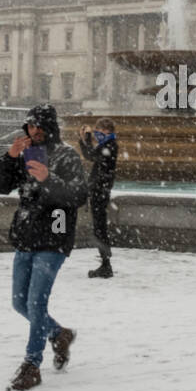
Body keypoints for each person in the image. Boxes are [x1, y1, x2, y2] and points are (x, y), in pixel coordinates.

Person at [0, 104, 90, 391]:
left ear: (50, 127)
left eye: (38, 127)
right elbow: (0, 187)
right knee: (19, 304)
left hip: (55, 235)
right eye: (29, 127)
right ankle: (59, 334)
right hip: (26, 234)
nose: (33, 132)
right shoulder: (25, 154)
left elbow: (78, 195)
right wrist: (9, 158)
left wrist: (48, 178)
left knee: (36, 304)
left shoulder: (67, 155)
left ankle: (32, 366)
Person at [78, 117, 119, 278]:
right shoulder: (107, 145)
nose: (98, 133)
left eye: (100, 130)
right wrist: (84, 140)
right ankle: (105, 263)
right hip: (99, 190)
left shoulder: (109, 145)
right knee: (99, 227)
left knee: (99, 228)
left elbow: (90, 155)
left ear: (108, 131)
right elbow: (91, 155)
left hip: (100, 190)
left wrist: (86, 139)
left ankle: (106, 265)